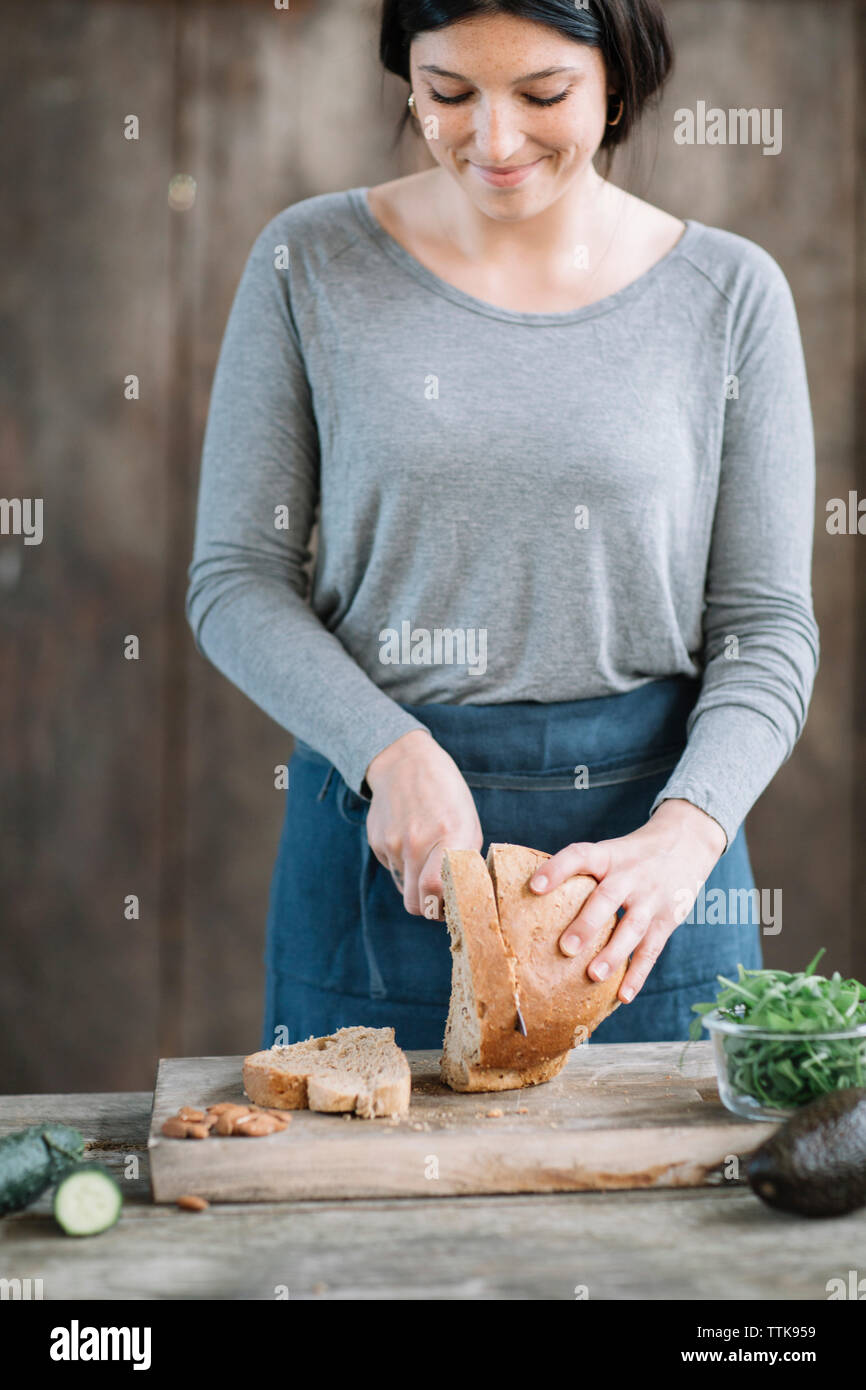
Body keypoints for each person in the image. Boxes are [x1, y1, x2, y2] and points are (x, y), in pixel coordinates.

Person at [186, 0, 819, 1051]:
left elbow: (765, 624)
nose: (491, 140)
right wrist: (385, 749)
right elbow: (235, 578)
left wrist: (683, 835)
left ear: (618, 74)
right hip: (383, 840)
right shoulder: (309, 263)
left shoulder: (730, 294)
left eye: (541, 95)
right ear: (406, 78)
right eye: (446, 95)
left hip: (648, 878)